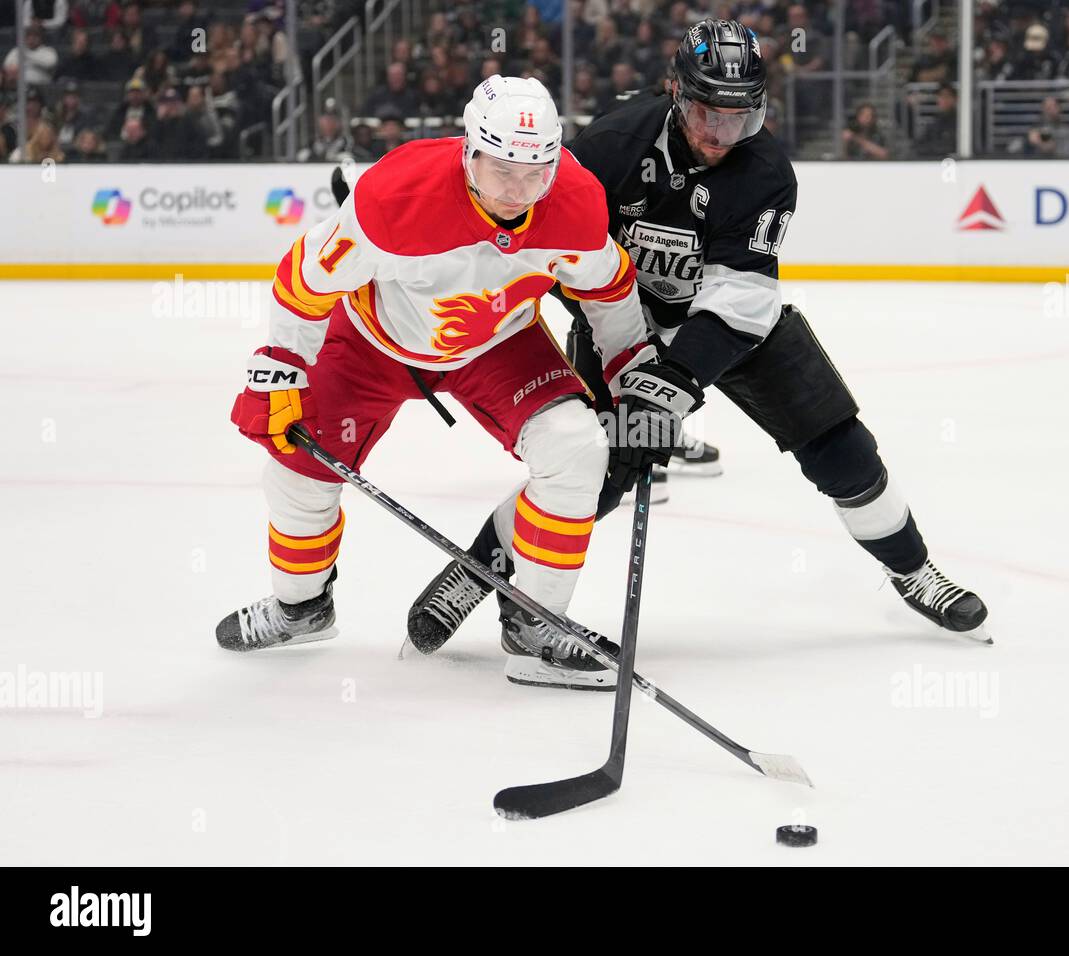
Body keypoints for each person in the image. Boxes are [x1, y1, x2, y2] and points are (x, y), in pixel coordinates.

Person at [406, 20, 991, 657]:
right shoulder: (612, 145)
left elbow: (739, 298)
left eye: (738, 118)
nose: (719, 134)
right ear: (676, 93)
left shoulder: (765, 171)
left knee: (838, 445)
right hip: (620, 327)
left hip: (730, 333)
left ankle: (912, 570)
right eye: (707, 113)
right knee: (592, 471)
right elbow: (541, 243)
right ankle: (477, 568)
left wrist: (675, 381)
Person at [216, 76, 655, 691]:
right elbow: (302, 280)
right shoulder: (396, 196)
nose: (517, 190)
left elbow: (610, 291)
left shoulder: (576, 200)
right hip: (372, 343)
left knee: (577, 447)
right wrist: (280, 367)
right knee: (295, 474)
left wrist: (634, 373)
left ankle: (537, 629)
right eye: (502, 169)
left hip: (498, 342)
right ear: (470, 148)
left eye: (536, 172)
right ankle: (300, 607)